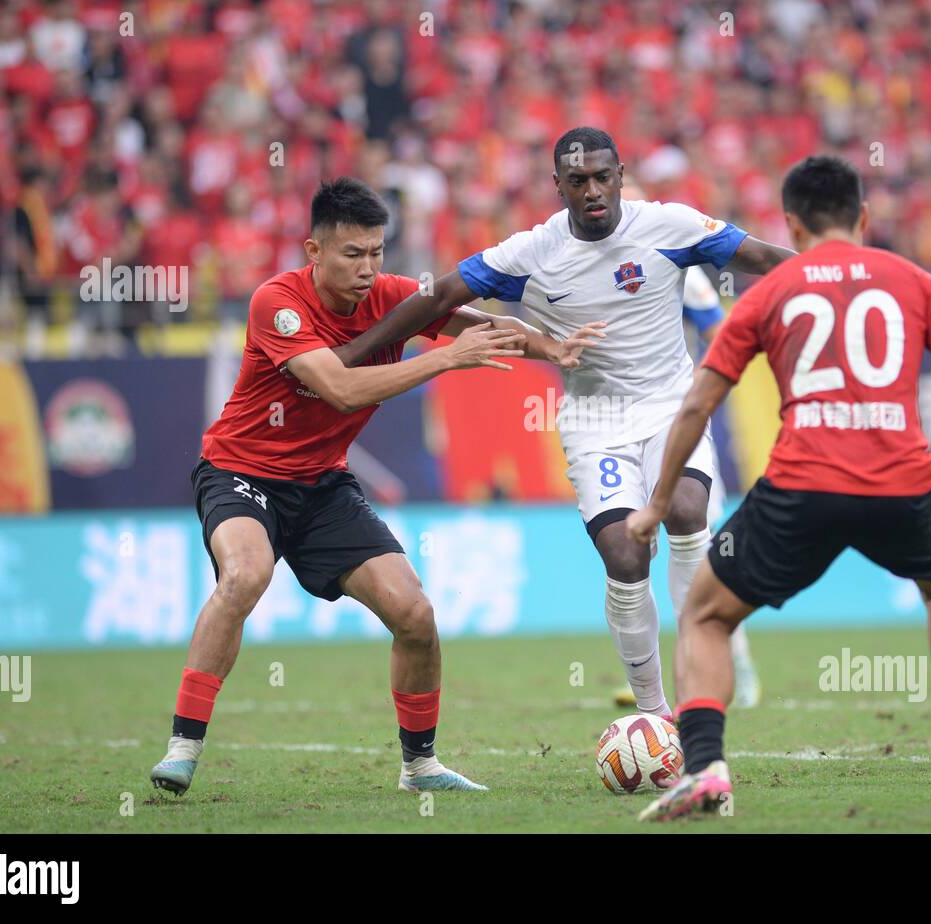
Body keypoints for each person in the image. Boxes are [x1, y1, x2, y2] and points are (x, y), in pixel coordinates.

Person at [628, 155, 931, 821]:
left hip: (803, 486)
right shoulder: (912, 280)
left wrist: (656, 504)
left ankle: (707, 770)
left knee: (706, 615)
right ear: (864, 217)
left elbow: (696, 404)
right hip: (900, 483)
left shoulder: (770, 291)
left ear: (792, 225)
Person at [327, 127, 793, 724]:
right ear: (559, 187)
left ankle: (698, 678)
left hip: (671, 406)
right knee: (625, 556)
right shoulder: (531, 253)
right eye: (578, 181)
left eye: (603, 177)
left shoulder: (669, 226)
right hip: (594, 421)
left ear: (621, 174)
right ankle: (655, 715)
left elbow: (760, 258)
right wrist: (359, 348)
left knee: (684, 510)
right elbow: (440, 295)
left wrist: (842, 278)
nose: (593, 191)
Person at [150, 177, 596, 796]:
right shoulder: (276, 303)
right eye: (351, 254)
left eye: (377, 252)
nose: (367, 268)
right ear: (313, 251)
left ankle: (420, 767)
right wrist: (443, 359)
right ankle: (183, 746)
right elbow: (340, 388)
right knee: (246, 574)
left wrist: (555, 348)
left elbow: (485, 327)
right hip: (241, 473)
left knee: (414, 614)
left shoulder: (392, 296)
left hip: (323, 485)